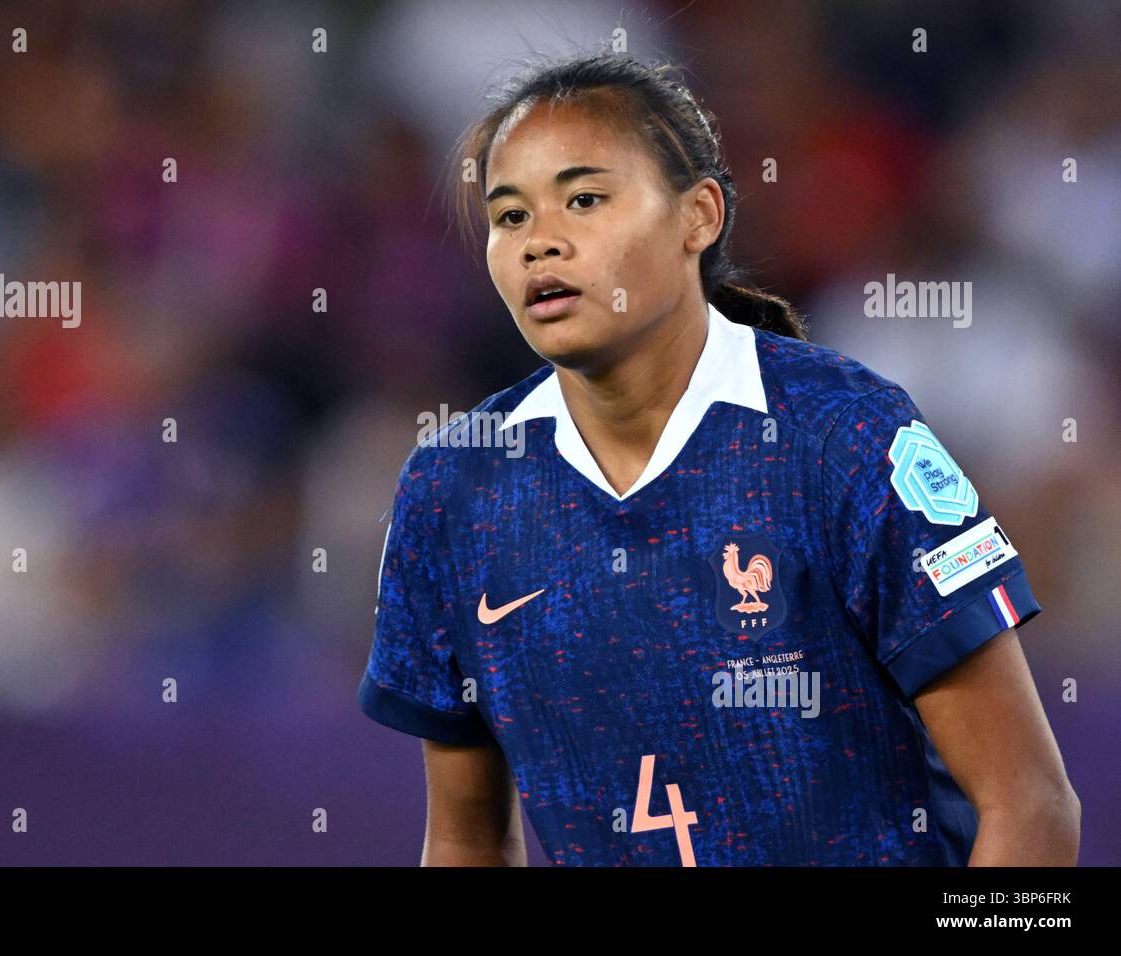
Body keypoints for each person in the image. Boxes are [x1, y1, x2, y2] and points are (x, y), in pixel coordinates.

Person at [357, 50, 1079, 866]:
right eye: (510, 216)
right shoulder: (453, 490)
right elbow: (465, 841)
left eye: (584, 200)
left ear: (697, 216)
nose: (538, 245)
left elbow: (1031, 805)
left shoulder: (845, 436)